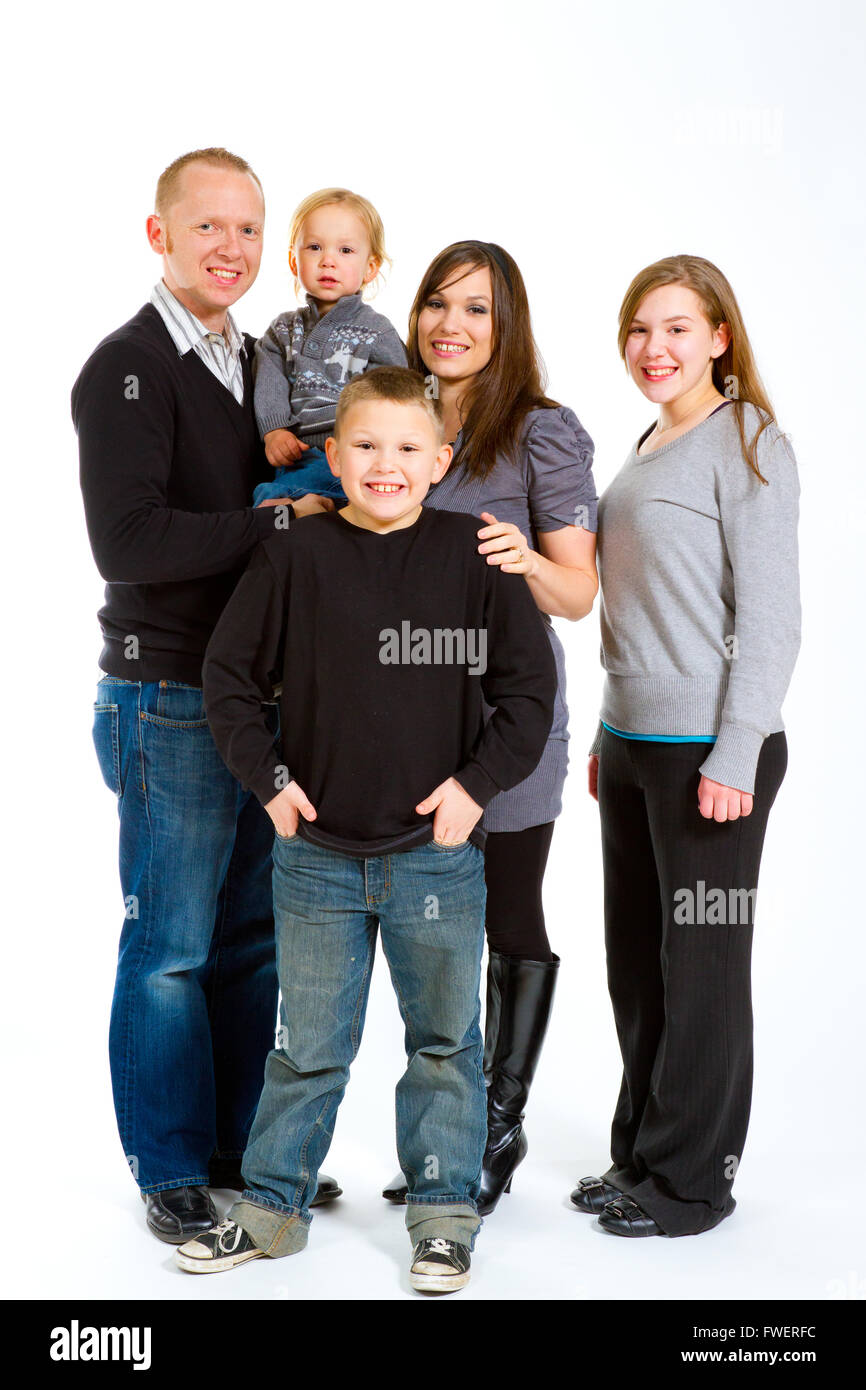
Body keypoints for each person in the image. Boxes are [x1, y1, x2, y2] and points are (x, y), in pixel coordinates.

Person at [177, 367, 557, 1293]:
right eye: (366, 446)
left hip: (434, 855)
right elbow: (226, 680)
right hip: (315, 858)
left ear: (440, 461)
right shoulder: (293, 557)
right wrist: (269, 784)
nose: (385, 464)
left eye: (405, 448)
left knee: (443, 1045)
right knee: (306, 1047)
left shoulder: (478, 554)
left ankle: (441, 1217)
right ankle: (270, 1210)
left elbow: (527, 693)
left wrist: (476, 786)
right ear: (335, 455)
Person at [72, 147, 339, 1247]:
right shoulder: (127, 367)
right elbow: (126, 539)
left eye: (247, 229)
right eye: (206, 228)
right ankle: (172, 1169)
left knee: (250, 942)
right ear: (160, 236)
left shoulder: (253, 363)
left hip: (251, 698)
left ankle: (238, 1152)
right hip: (165, 698)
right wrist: (278, 522)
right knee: (171, 944)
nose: (229, 249)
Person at [571, 254, 801, 1237]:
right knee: (637, 962)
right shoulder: (646, 441)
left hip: (707, 748)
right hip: (630, 742)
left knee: (700, 968)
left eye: (674, 328)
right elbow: (635, 606)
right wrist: (601, 733)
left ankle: (690, 1185)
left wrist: (734, 746)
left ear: (717, 337)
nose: (651, 348)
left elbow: (773, 614)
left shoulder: (745, 438)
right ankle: (640, 1155)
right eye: (637, 330)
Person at [382, 242, 598, 1213]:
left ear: (504, 324)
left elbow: (577, 591)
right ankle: (445, 1130)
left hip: (507, 716)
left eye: (474, 308)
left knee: (507, 915)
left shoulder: (540, 432)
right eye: (436, 304)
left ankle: (494, 1131)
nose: (450, 325)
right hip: (409, 710)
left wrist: (519, 557)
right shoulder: (401, 416)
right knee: (430, 930)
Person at [251, 187, 407, 506]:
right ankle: (315, 510)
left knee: (273, 499)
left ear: (370, 267)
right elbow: (269, 386)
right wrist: (274, 432)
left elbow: (395, 396)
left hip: (356, 457)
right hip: (301, 455)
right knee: (275, 491)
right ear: (295, 261)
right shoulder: (282, 331)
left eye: (346, 250)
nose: (328, 261)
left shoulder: (376, 331)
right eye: (314, 247)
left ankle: (319, 508)